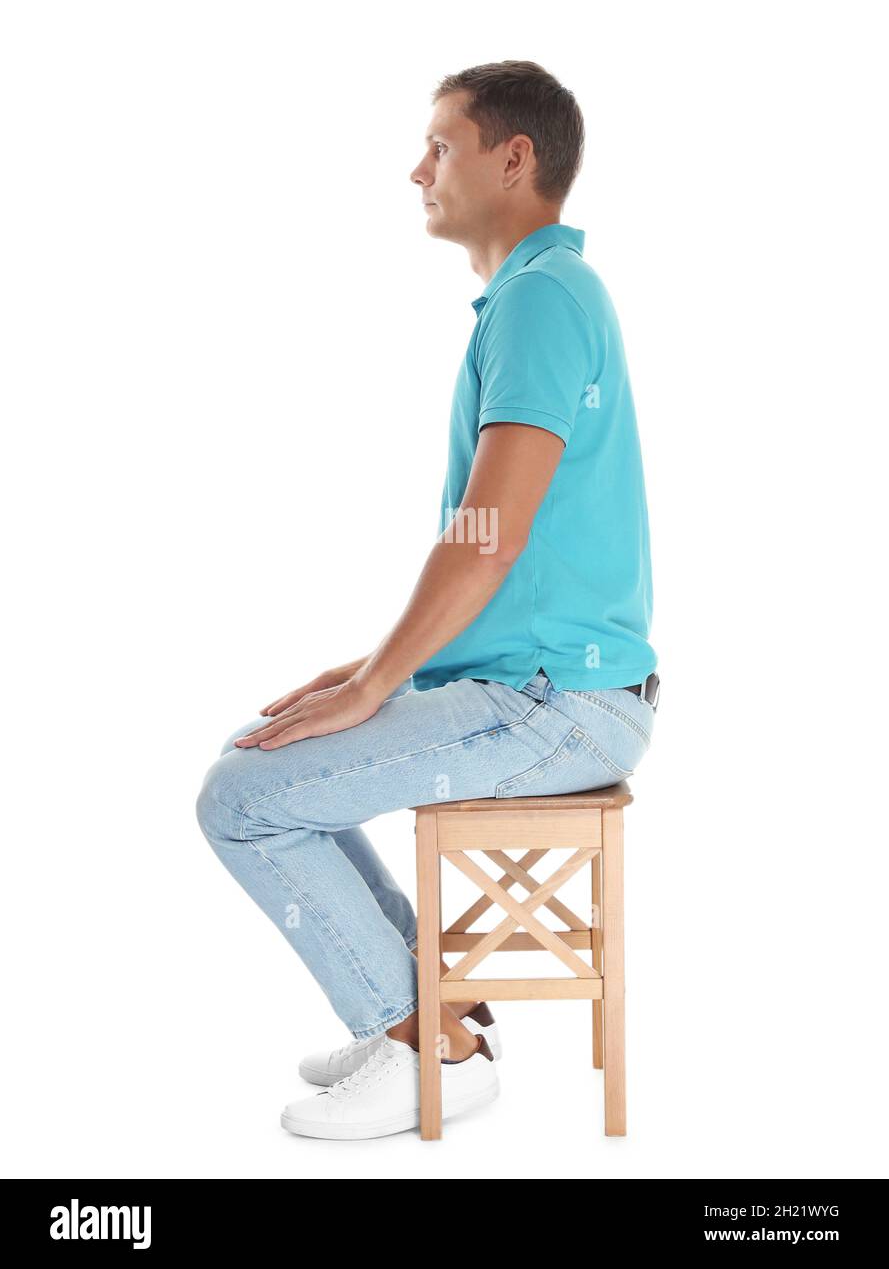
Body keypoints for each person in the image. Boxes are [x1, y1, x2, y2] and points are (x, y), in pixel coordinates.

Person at [195, 59, 659, 1141]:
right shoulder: (540, 296)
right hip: (550, 691)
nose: (418, 169)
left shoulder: (542, 300)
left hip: (557, 705)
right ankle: (430, 1019)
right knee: (256, 752)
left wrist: (377, 682)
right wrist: (372, 670)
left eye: (439, 146)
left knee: (238, 799)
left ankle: (431, 1050)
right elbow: (509, 548)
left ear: (514, 159)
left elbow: (485, 537)